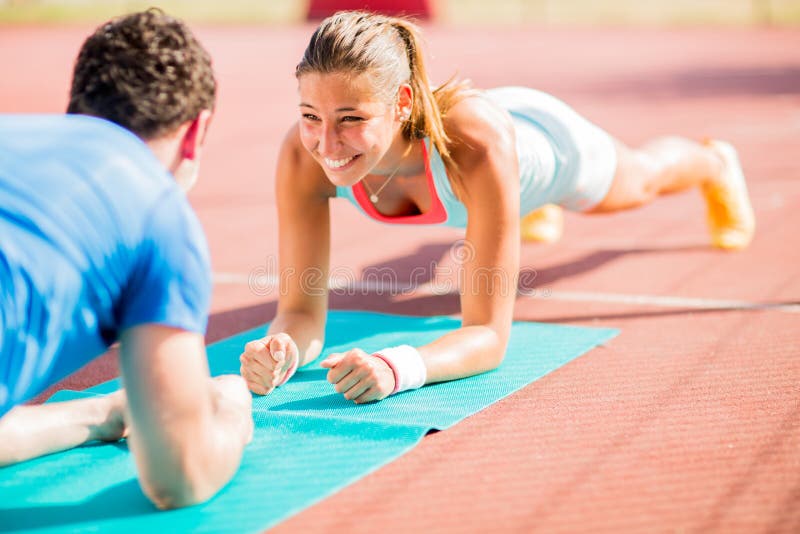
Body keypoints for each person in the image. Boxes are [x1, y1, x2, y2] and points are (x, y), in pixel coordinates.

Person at [239, 11, 755, 403]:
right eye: (310, 115)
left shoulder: (475, 147)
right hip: (487, 177)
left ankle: (713, 162)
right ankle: (517, 213)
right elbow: (301, 310)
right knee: (478, 223)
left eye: (350, 118)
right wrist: (280, 351)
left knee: (641, 181)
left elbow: (487, 333)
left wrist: (399, 367)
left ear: (401, 103)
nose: (327, 144)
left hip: (548, 149)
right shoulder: (301, 155)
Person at [0, 9, 253, 510]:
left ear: (77, 105)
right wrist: (230, 413)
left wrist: (101, 413)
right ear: (194, 132)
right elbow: (179, 477)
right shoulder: (158, 211)